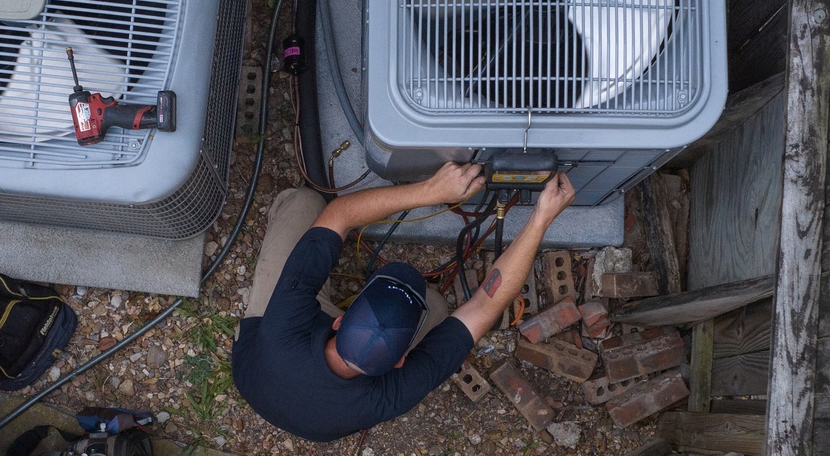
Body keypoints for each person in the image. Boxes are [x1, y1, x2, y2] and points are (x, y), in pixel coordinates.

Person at [231, 162, 576, 442]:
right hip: (285, 377)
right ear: (399, 362)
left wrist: (432, 190)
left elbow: (338, 216)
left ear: (339, 321)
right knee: (435, 306)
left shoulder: (284, 325)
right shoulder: (388, 397)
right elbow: (485, 306)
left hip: (259, 368)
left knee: (306, 203)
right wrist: (541, 219)